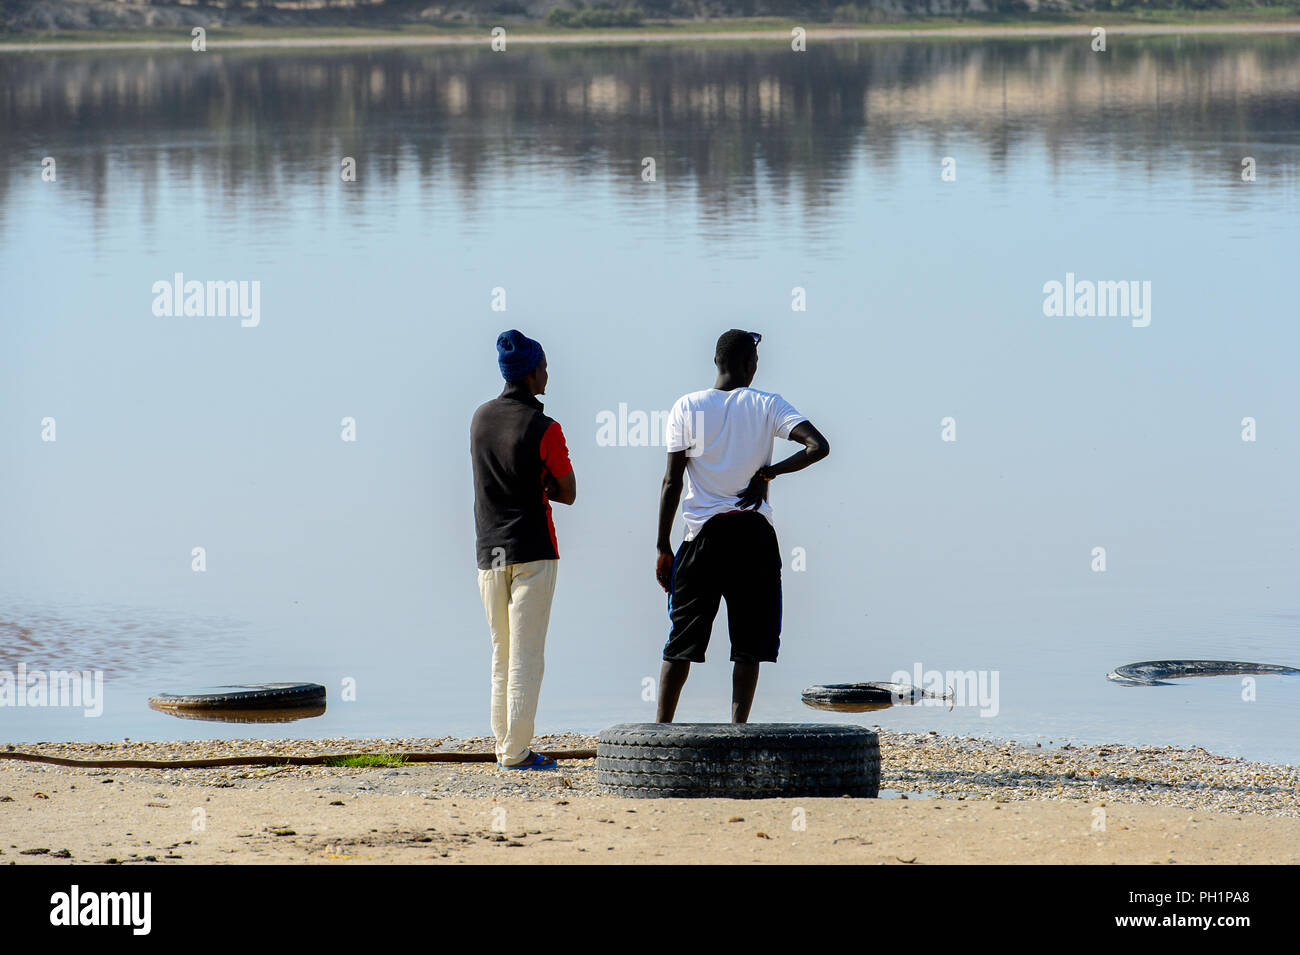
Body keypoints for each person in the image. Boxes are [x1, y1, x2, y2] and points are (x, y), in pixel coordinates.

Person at [654, 329, 829, 722]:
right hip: (754, 538)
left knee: (680, 642)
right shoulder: (767, 404)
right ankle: (738, 730)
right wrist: (768, 474)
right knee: (749, 645)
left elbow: (671, 482)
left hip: (702, 538)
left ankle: (661, 730)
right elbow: (818, 446)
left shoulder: (687, 406)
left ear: (717, 362)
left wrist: (663, 546)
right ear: (751, 366)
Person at [470, 330, 576, 769]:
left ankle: (505, 746)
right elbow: (568, 491)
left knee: (501, 651)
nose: (548, 373)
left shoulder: (480, 419)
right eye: (545, 367)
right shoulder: (545, 428)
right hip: (532, 549)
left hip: (489, 551)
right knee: (527, 655)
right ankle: (517, 753)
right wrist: (545, 484)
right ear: (533, 374)